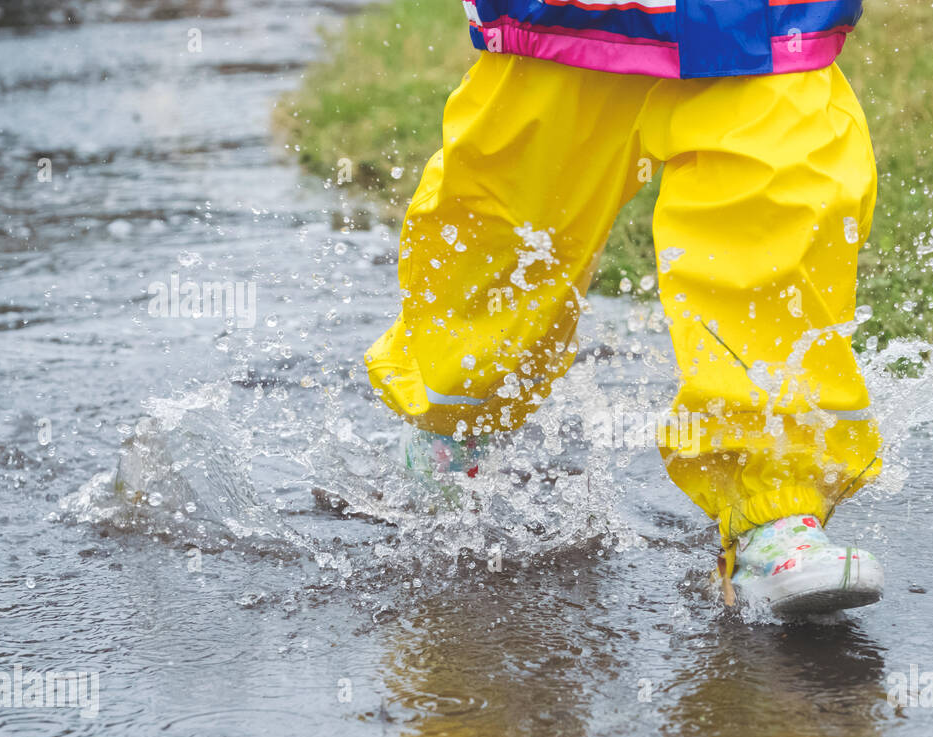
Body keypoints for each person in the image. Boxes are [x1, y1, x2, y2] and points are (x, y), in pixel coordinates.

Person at [365, 0, 884, 615]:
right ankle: (457, 419)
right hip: (563, 21)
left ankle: (775, 507)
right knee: (505, 235)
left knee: (775, 224)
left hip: (766, 25)